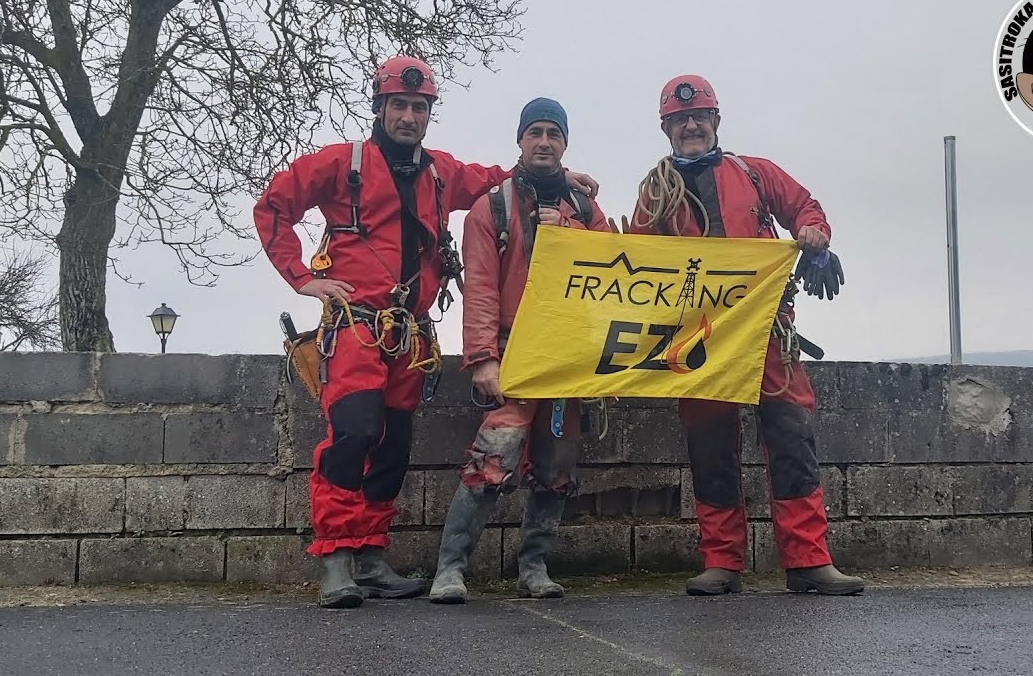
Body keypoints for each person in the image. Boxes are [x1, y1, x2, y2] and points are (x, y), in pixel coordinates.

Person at [253, 58, 600, 609]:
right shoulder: (341, 164)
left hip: (409, 339)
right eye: (400, 105)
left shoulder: (440, 172)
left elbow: (499, 181)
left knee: (392, 445)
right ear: (380, 107)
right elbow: (273, 205)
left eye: (419, 107)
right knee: (353, 433)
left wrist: (563, 177)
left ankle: (369, 555)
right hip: (356, 328)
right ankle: (336, 559)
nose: (410, 116)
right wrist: (303, 278)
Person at [622, 74, 863, 597]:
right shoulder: (653, 193)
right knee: (710, 446)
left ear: (715, 121)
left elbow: (805, 207)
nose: (690, 125)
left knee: (791, 434)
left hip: (768, 333)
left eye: (699, 116)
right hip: (696, 342)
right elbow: (636, 265)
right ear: (666, 128)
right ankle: (721, 562)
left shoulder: (755, 173)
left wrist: (814, 236)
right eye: (679, 119)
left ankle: (808, 561)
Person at [428, 97, 611, 605]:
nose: (544, 142)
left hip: (567, 361)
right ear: (520, 140)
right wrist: (483, 357)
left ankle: (534, 566)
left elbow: (612, 275)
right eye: (536, 132)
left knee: (557, 470)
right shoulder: (492, 206)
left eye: (554, 133)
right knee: (491, 462)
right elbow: (481, 287)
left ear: (565, 143)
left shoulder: (587, 212)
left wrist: (565, 233)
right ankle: (450, 569)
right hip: (512, 354)